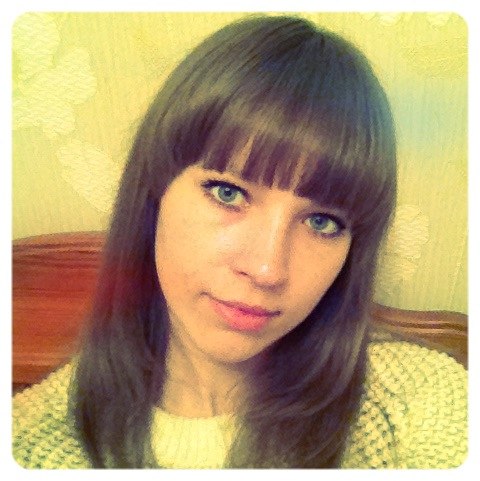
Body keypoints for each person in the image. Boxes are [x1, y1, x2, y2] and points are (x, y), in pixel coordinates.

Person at [12, 14, 467, 469]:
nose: (268, 269)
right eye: (228, 193)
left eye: (322, 222)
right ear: (155, 193)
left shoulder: (419, 401)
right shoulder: (29, 443)